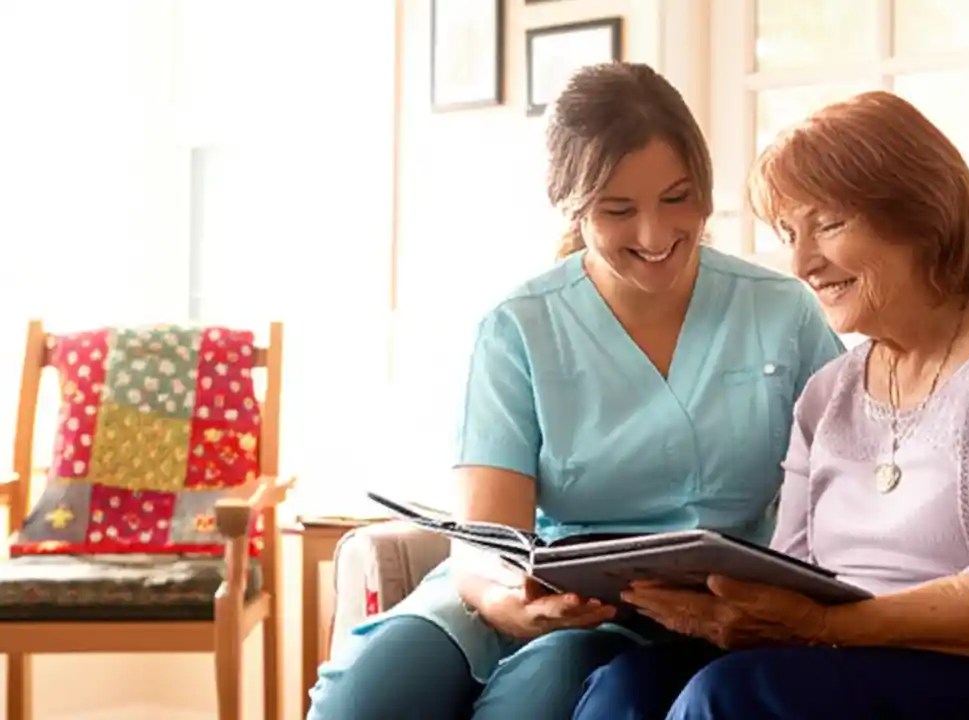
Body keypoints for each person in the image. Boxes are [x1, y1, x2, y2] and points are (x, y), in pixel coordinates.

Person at [572, 91, 969, 720]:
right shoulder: (830, 393)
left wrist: (820, 624)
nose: (802, 263)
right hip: (875, 654)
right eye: (790, 233)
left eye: (828, 225)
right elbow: (791, 577)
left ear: (917, 210)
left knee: (739, 696)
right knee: (629, 685)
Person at [305, 62, 845, 720]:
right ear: (573, 204)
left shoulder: (783, 312)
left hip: (669, 617)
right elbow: (486, 541)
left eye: (679, 198)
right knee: (370, 696)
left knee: (539, 691)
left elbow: (848, 486)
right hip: (515, 591)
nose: (655, 235)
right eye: (619, 211)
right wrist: (509, 603)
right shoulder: (520, 327)